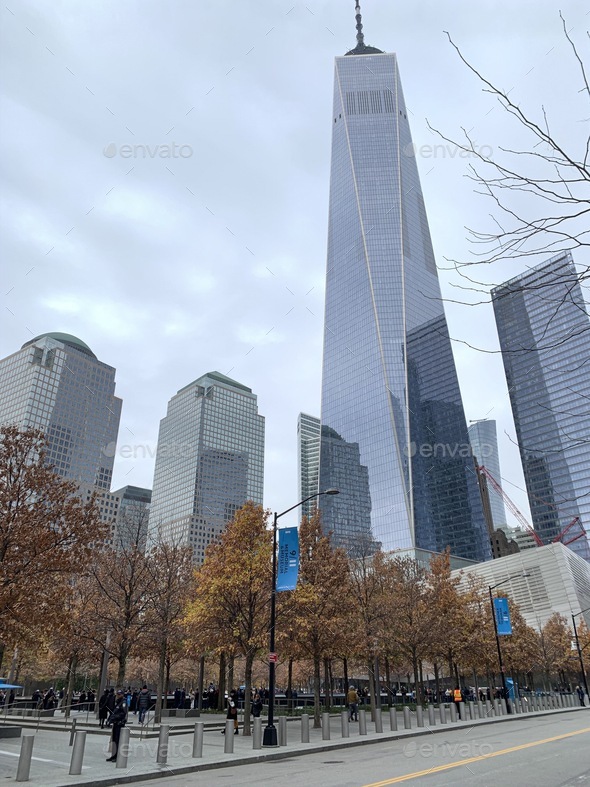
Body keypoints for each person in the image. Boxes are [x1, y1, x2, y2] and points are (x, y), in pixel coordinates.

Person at [106, 691, 128, 762]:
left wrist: (115, 718)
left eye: (119, 694)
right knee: (114, 740)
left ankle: (117, 756)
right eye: (117, 694)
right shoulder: (117, 702)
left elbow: (123, 713)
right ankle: (113, 755)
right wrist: (110, 720)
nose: (118, 696)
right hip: (115, 723)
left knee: (118, 740)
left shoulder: (123, 702)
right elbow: (114, 711)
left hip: (119, 723)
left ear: (122, 695)